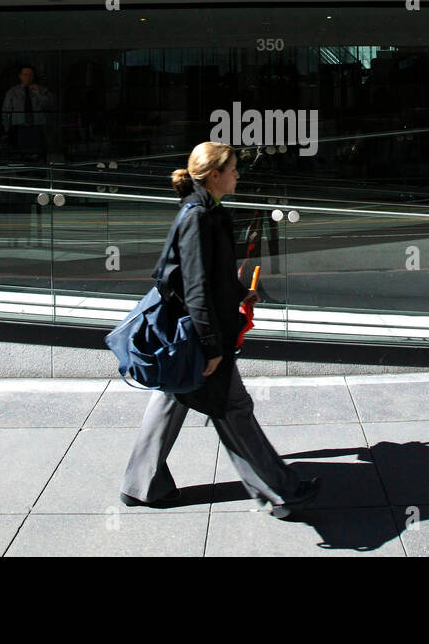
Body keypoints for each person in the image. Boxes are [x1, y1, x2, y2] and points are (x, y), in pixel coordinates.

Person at [120, 142, 322, 519]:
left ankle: (141, 484)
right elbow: (195, 287)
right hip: (201, 334)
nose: (238, 175)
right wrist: (212, 347)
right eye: (232, 169)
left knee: (173, 397)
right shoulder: (198, 215)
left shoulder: (206, 209)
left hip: (197, 331)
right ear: (215, 175)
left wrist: (239, 293)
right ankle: (282, 492)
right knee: (234, 409)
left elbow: (207, 278)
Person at [0, 65, 53, 157]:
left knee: (37, 154)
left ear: (33, 76)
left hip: (37, 127)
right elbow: (6, 111)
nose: (27, 77)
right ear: (20, 76)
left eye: (30, 75)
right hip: (19, 128)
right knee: (21, 155)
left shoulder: (42, 90)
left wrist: (38, 94)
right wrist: (6, 129)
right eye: (25, 74)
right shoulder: (13, 92)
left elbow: (50, 105)